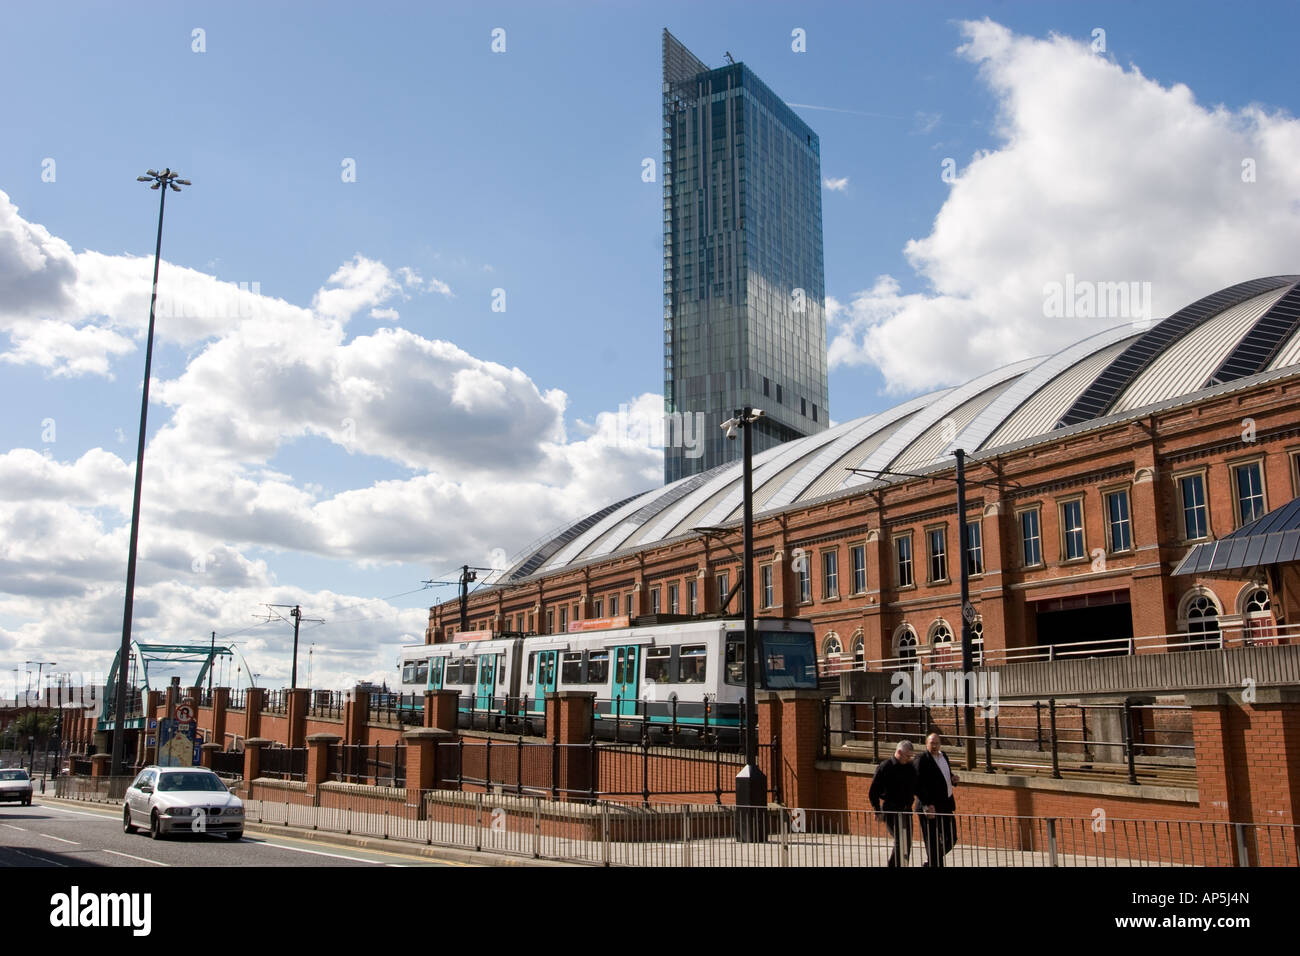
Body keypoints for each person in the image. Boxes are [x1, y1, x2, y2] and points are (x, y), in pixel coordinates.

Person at [869, 740, 918, 867]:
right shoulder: (886, 766)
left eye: (911, 756)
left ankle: (902, 864)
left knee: (907, 842)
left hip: (906, 810)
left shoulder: (909, 767)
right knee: (900, 841)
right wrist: (877, 810)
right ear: (899, 752)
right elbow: (873, 791)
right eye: (907, 756)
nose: (909, 758)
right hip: (891, 808)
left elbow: (916, 787)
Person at [914, 732, 959, 866]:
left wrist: (953, 779)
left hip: (946, 804)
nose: (934, 746)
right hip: (930, 807)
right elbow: (916, 784)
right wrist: (927, 805)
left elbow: (945, 774)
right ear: (926, 744)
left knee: (951, 837)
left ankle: (932, 862)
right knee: (932, 839)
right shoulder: (921, 759)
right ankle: (934, 863)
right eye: (932, 743)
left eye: (937, 743)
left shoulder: (944, 756)